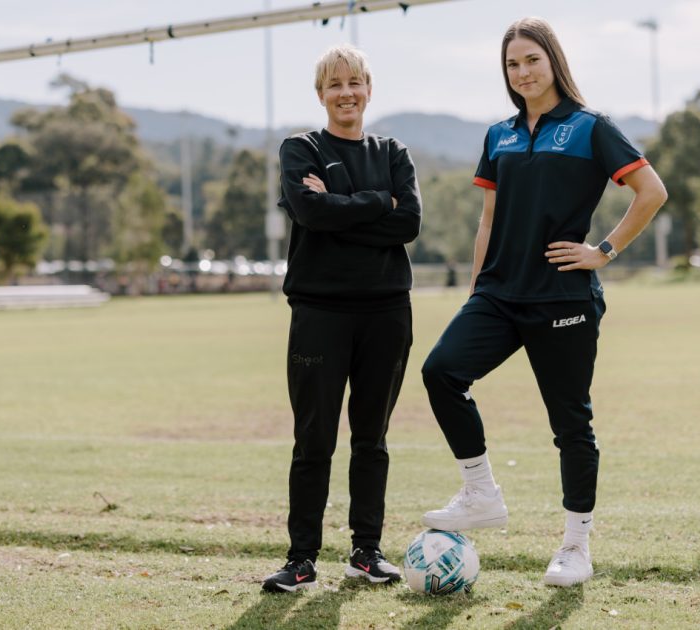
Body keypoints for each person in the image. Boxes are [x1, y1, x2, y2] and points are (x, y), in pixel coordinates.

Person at [420, 17, 668, 588]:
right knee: (441, 371)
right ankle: (481, 492)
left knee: (570, 424)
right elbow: (488, 219)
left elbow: (651, 191)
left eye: (532, 59)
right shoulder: (498, 135)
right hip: (499, 294)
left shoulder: (589, 127)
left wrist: (602, 251)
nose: (523, 72)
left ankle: (576, 546)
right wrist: (479, 286)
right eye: (513, 64)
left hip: (562, 296)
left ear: (553, 61)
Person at [261, 44, 422, 593]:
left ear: (369, 88)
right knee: (314, 440)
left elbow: (409, 225)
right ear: (321, 94)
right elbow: (309, 211)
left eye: (355, 82)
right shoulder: (299, 148)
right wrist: (380, 203)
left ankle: (366, 552)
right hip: (320, 314)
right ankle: (302, 559)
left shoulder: (393, 151)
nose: (346, 92)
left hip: (386, 313)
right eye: (334, 84)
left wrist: (344, 206)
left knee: (371, 440)